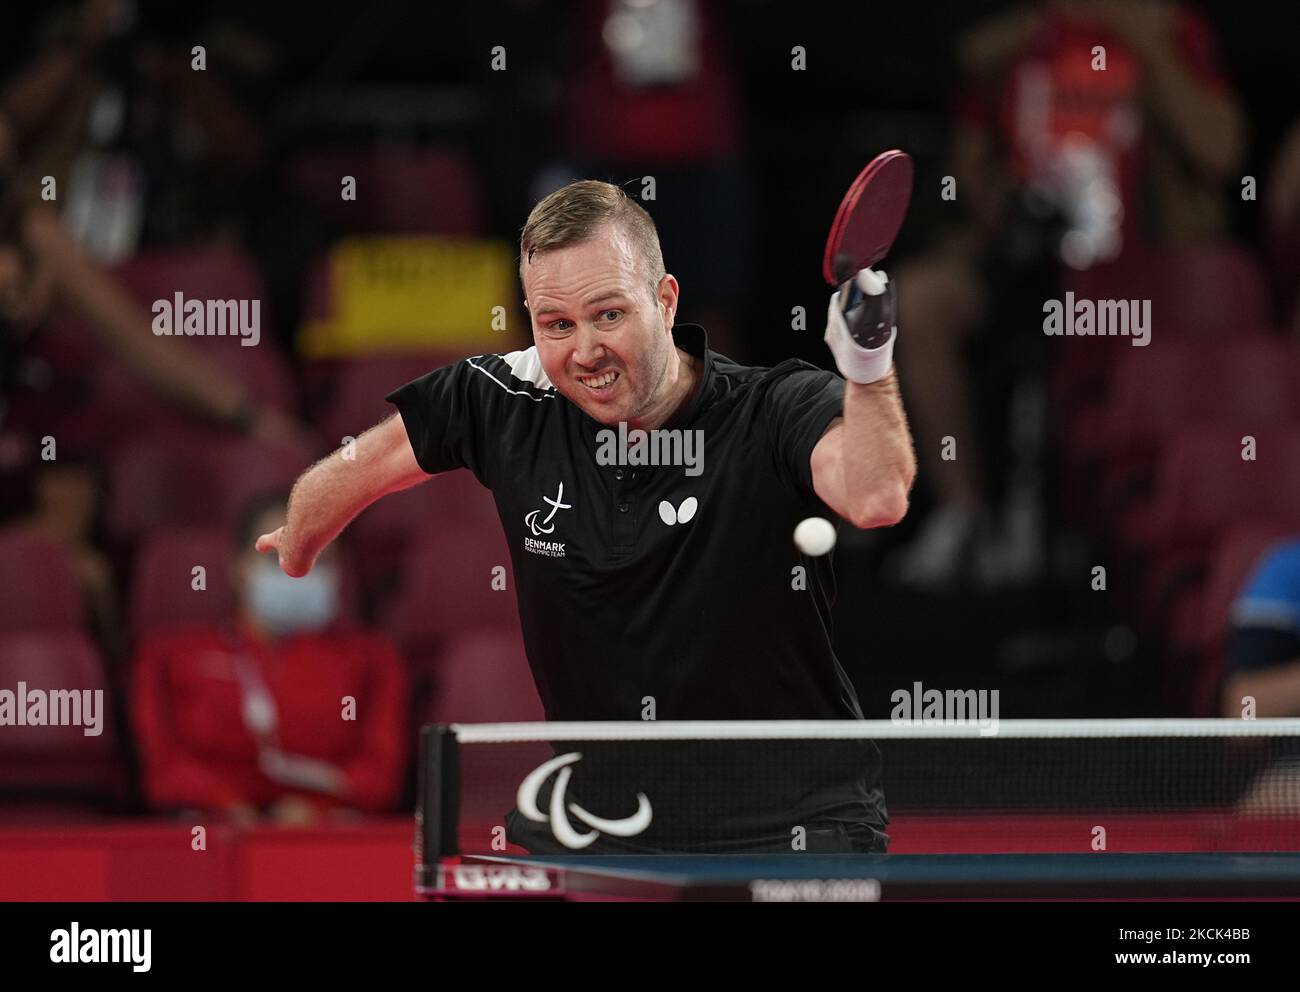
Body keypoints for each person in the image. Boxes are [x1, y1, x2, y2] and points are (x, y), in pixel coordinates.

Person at [257, 181, 915, 853]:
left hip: (795, 826)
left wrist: (868, 365)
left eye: (608, 315)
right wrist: (300, 541)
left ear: (665, 300)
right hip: (608, 825)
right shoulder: (505, 402)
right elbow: (357, 467)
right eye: (557, 325)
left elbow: (877, 496)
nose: (585, 352)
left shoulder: (772, 408)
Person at [893, 0, 1245, 587]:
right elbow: (965, 176)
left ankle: (1138, 545)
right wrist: (998, 195)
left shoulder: (1169, 29)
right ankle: (965, 514)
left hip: (1148, 278)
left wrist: (1146, 49)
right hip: (1034, 268)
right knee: (920, 297)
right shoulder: (1011, 46)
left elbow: (1223, 152)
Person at [131, 492, 409, 825]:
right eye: (279, 555)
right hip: (206, 830)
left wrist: (316, 808)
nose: (299, 570)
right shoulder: (169, 656)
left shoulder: (372, 660)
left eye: (321, 557)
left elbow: (379, 771)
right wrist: (225, 806)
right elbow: (163, 766)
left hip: (326, 834)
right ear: (238, 565)